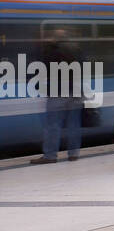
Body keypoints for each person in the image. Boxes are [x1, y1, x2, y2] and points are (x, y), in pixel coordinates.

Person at [32, 29, 82, 164]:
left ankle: (50, 155)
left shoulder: (52, 51)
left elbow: (42, 64)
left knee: (52, 125)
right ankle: (73, 154)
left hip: (57, 92)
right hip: (74, 91)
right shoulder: (76, 49)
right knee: (73, 124)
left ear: (55, 39)